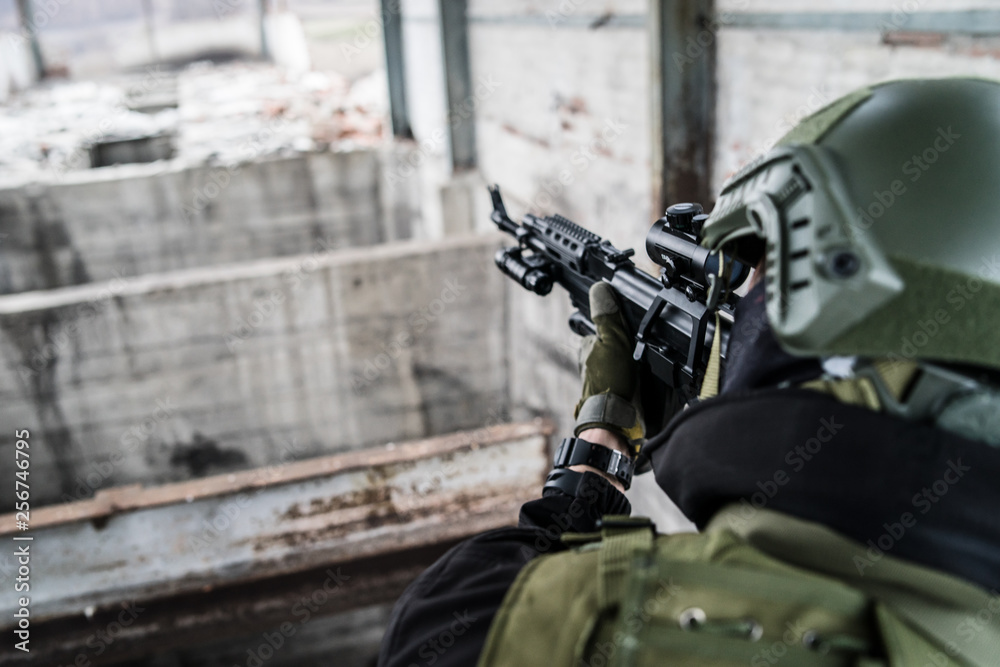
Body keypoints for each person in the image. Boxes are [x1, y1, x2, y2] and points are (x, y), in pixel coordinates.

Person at [377, 78, 1000, 666]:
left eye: (762, 279)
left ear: (833, 291)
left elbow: (441, 625)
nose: (746, 306)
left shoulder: (616, 627)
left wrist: (599, 446)